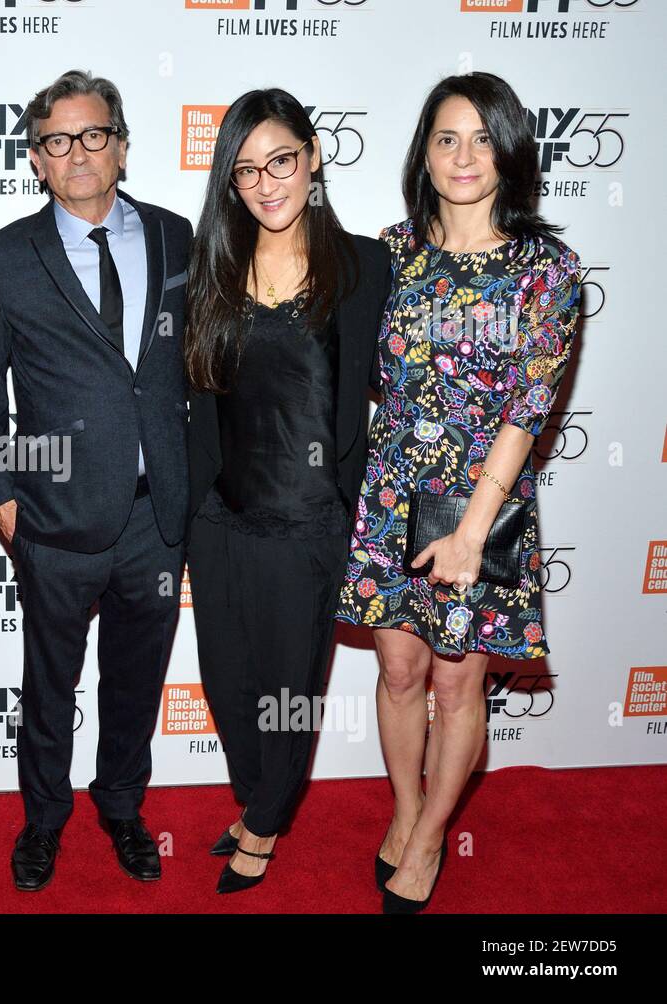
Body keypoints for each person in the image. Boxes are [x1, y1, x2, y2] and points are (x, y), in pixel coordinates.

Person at [335, 72, 582, 913]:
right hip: (392, 488)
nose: (464, 156)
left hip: (483, 501)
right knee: (401, 672)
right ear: (424, 153)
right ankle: (406, 814)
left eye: (482, 138)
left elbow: (528, 406)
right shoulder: (391, 251)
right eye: (447, 138)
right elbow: (355, 375)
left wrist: (474, 531)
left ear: (509, 150)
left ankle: (435, 836)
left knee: (455, 684)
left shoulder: (547, 268)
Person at [0, 70, 192, 892]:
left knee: (137, 678)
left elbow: (191, 374)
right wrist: (0, 500)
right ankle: (44, 820)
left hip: (156, 516)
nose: (79, 153)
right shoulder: (0, 257)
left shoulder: (177, 238)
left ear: (121, 147)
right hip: (51, 515)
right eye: (58, 140)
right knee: (49, 683)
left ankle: (123, 808)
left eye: (95, 135)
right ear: (35, 159)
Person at [184, 89, 391, 894]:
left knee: (290, 691)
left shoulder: (366, 264)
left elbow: (409, 385)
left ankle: (265, 823)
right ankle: (254, 797)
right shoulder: (211, 265)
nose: (267, 184)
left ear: (313, 155)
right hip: (221, 517)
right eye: (246, 172)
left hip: (310, 522)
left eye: (281, 160)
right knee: (229, 686)